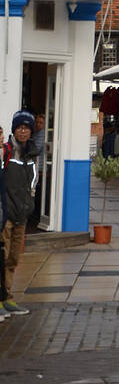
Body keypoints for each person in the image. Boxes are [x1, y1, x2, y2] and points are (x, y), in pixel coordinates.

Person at [0, 112, 36, 313]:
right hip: (5, 215)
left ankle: (8, 297)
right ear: (14, 130)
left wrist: (29, 205)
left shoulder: (32, 154)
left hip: (21, 216)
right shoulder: (5, 151)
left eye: (27, 128)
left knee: (13, 259)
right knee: (2, 258)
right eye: (19, 127)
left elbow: (32, 184)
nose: (23, 131)